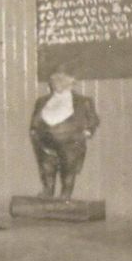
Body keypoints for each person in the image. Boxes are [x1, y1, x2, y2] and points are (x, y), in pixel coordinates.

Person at [29, 67, 99, 200]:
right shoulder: (42, 101)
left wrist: (87, 132)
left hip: (71, 143)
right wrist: (34, 131)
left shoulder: (83, 101)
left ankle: (65, 195)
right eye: (55, 80)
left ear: (71, 82)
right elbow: (35, 119)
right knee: (47, 168)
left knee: (68, 169)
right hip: (44, 143)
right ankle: (48, 192)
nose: (58, 83)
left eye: (62, 80)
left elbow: (93, 119)